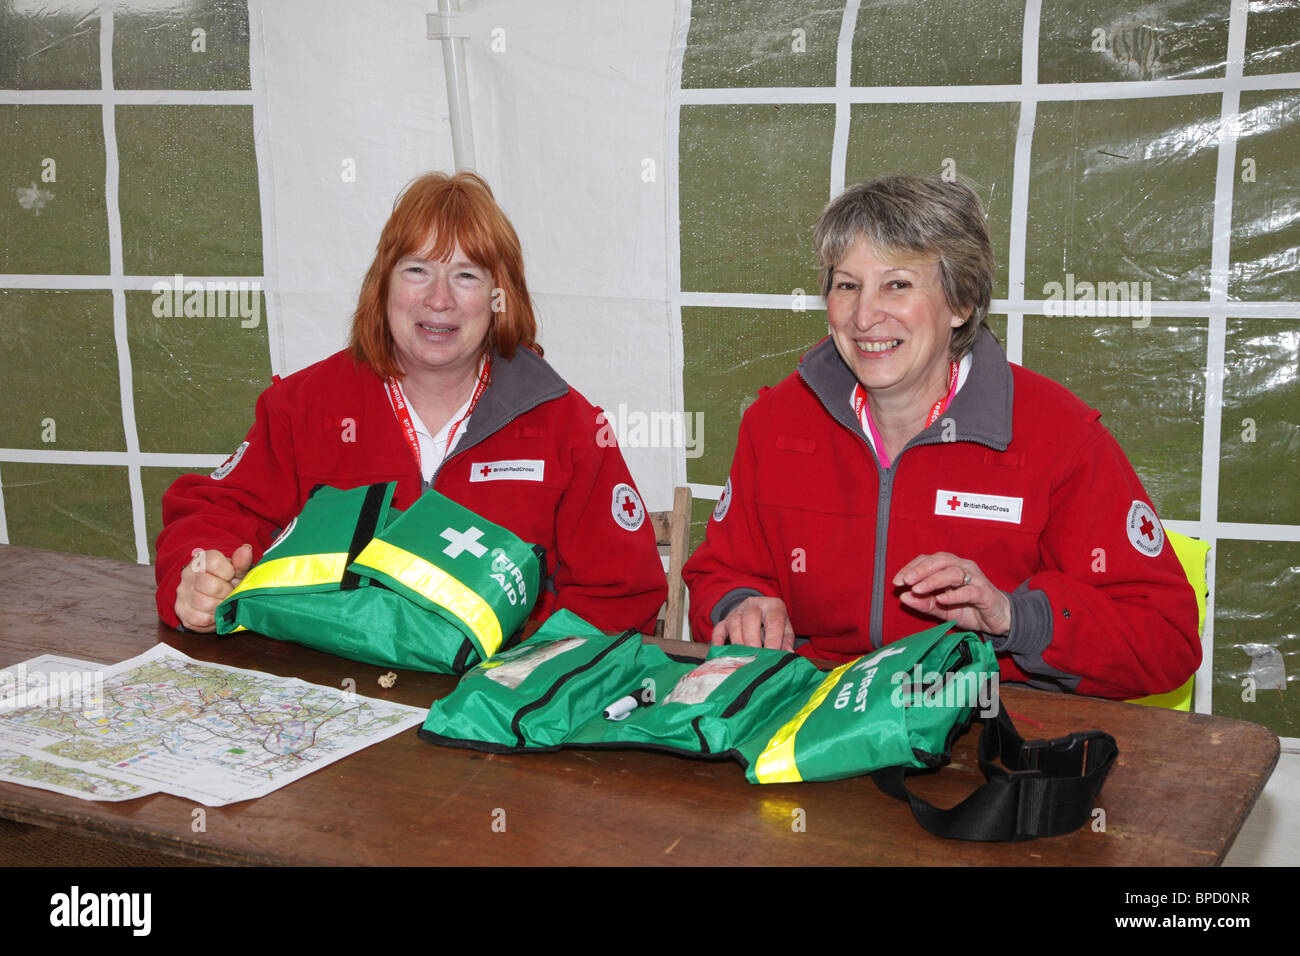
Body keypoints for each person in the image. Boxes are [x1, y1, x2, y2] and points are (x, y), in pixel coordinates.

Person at [682, 174, 1199, 699]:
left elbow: (1165, 641)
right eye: (847, 284)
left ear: (961, 302)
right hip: (814, 715)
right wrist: (738, 603)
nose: (864, 315)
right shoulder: (775, 420)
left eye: (898, 284)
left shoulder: (1058, 435)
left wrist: (1014, 617)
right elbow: (719, 572)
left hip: (988, 730)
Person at [157, 171, 666, 636]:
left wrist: (521, 666)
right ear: (383, 284)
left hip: (485, 709)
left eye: (467, 275)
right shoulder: (304, 405)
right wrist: (198, 571)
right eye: (417, 269)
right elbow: (219, 511)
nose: (439, 299)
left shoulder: (566, 425)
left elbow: (622, 592)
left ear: (499, 297)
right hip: (329, 691)